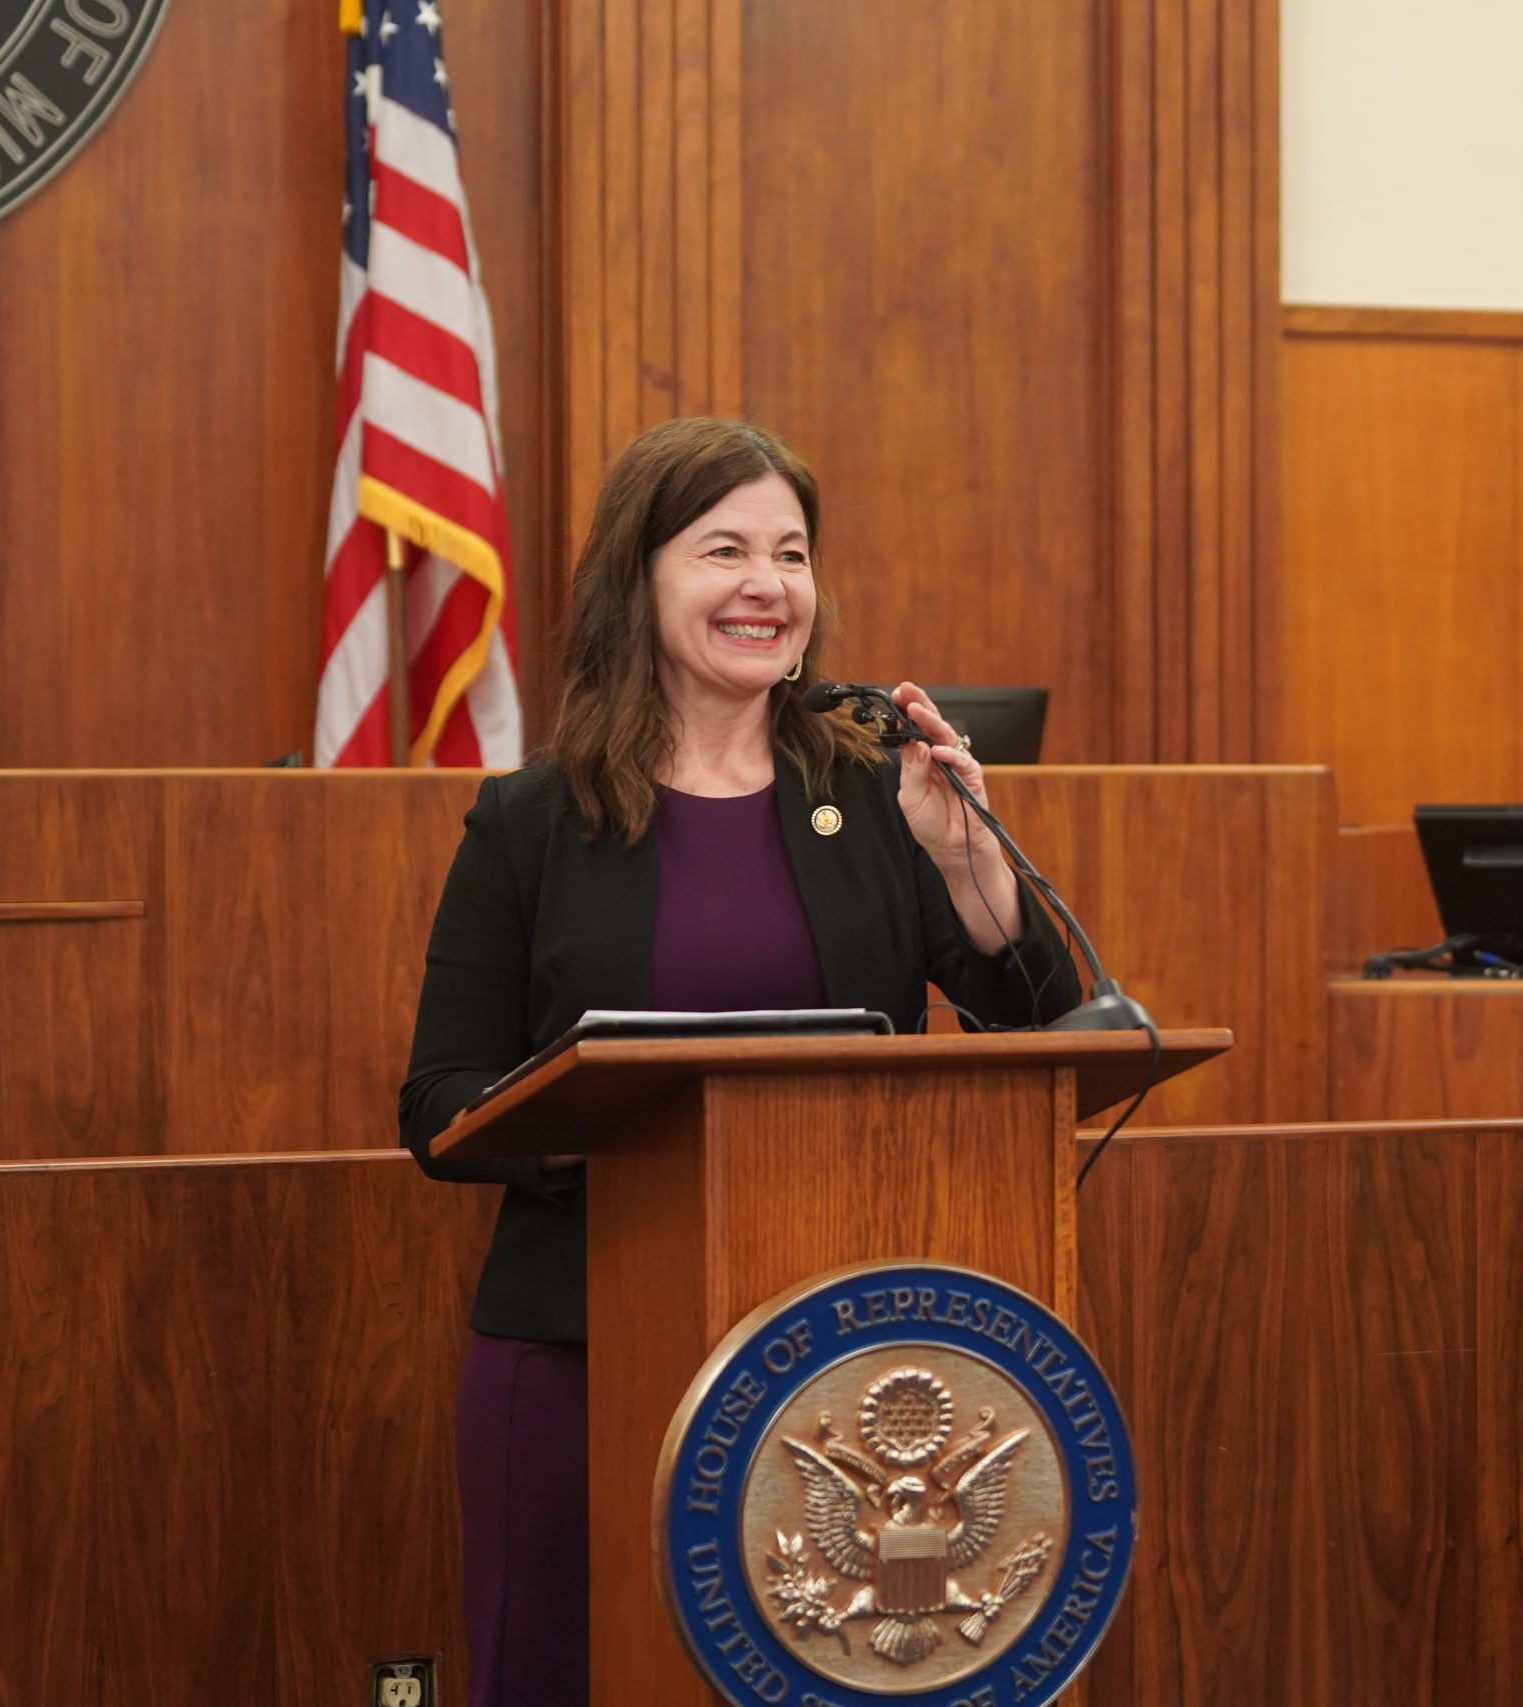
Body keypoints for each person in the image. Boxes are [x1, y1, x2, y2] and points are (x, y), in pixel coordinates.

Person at [398, 416, 1078, 1706]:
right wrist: (626, 1123)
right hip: (582, 1347)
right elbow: (438, 1105)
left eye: (792, 553)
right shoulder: (532, 821)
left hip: (844, 1369)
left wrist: (963, 855)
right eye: (725, 550)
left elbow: (1043, 1014)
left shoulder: (877, 795)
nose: (768, 585)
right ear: (640, 580)